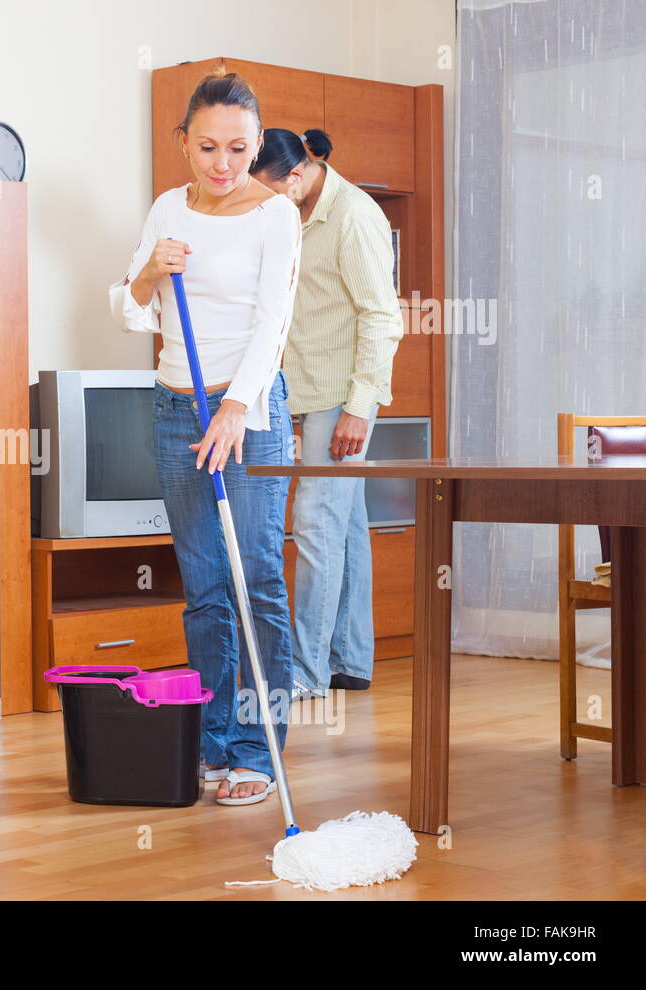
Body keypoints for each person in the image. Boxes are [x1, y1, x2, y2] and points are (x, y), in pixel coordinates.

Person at [109, 73, 302, 805]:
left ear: (257, 146)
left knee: (256, 581)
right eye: (209, 146)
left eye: (240, 149)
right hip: (175, 406)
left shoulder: (275, 215)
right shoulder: (167, 208)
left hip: (247, 411)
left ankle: (259, 748)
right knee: (206, 591)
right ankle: (212, 743)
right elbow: (132, 313)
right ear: (183, 141)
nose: (223, 164)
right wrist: (150, 272)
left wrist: (238, 409)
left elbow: (272, 323)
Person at [250, 129, 403, 696]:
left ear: (295, 175)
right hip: (310, 394)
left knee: (315, 526)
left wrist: (359, 410)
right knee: (346, 527)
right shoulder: (293, 215)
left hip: (345, 399)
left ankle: (304, 674)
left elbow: (382, 318)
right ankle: (350, 661)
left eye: (266, 190)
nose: (262, 202)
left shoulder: (354, 216)